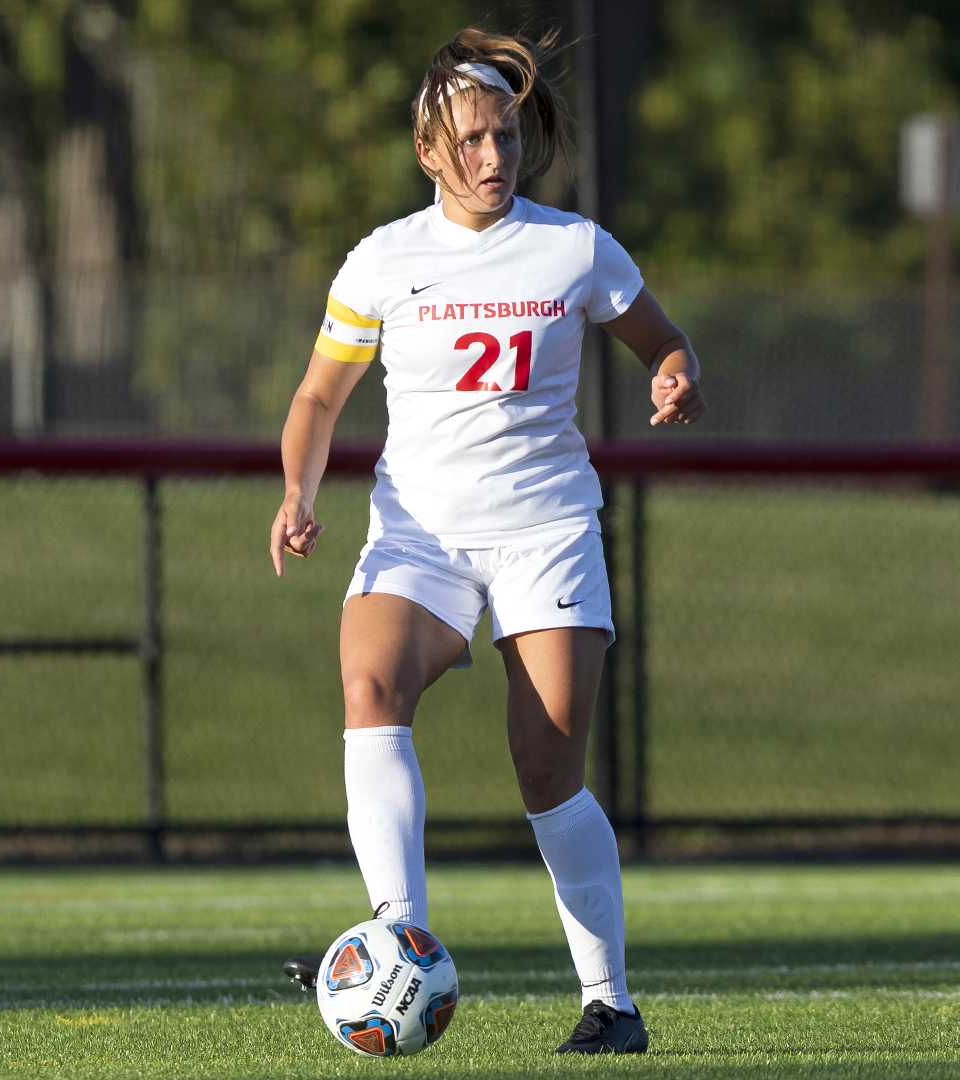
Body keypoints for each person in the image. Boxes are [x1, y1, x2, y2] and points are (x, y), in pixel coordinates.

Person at [271, 26, 704, 1056]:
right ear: (428, 152)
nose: (493, 157)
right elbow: (317, 395)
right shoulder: (385, 259)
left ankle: (611, 1005)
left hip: (545, 527)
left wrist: (676, 373)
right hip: (421, 532)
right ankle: (397, 934)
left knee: (546, 764)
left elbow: (664, 338)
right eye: (470, 139)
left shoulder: (575, 247)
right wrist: (297, 488)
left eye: (504, 135)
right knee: (370, 688)